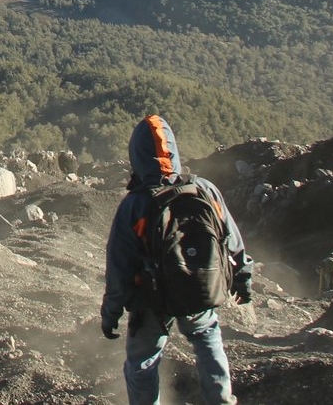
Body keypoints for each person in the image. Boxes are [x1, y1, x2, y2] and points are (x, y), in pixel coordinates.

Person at [99, 115, 254, 405]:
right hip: (200, 286)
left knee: (143, 362)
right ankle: (221, 401)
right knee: (208, 342)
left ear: (137, 155)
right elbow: (232, 239)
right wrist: (243, 278)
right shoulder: (204, 190)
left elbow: (118, 268)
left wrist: (111, 313)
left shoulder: (135, 205)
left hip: (153, 299)